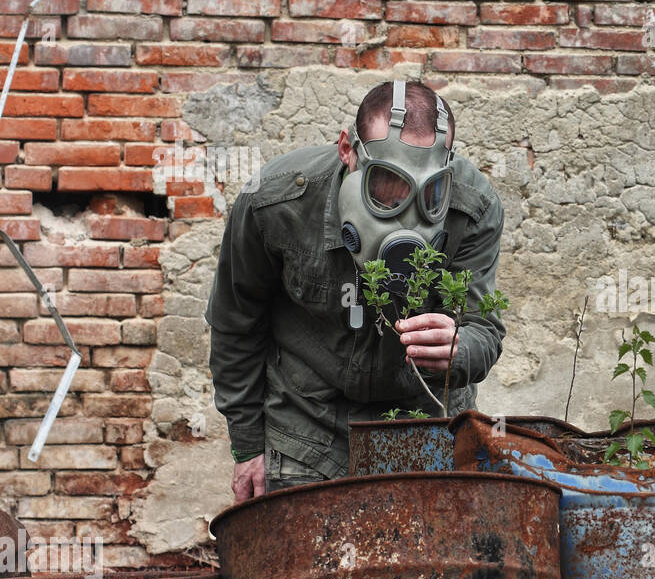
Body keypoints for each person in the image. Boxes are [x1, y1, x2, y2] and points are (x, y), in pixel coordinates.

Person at [205, 80, 506, 501]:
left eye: (427, 191)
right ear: (348, 149)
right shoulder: (276, 204)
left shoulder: (471, 210)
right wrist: (248, 446)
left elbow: (484, 329)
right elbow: (235, 324)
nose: (406, 212)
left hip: (422, 423)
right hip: (306, 431)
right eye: (387, 184)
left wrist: (460, 348)